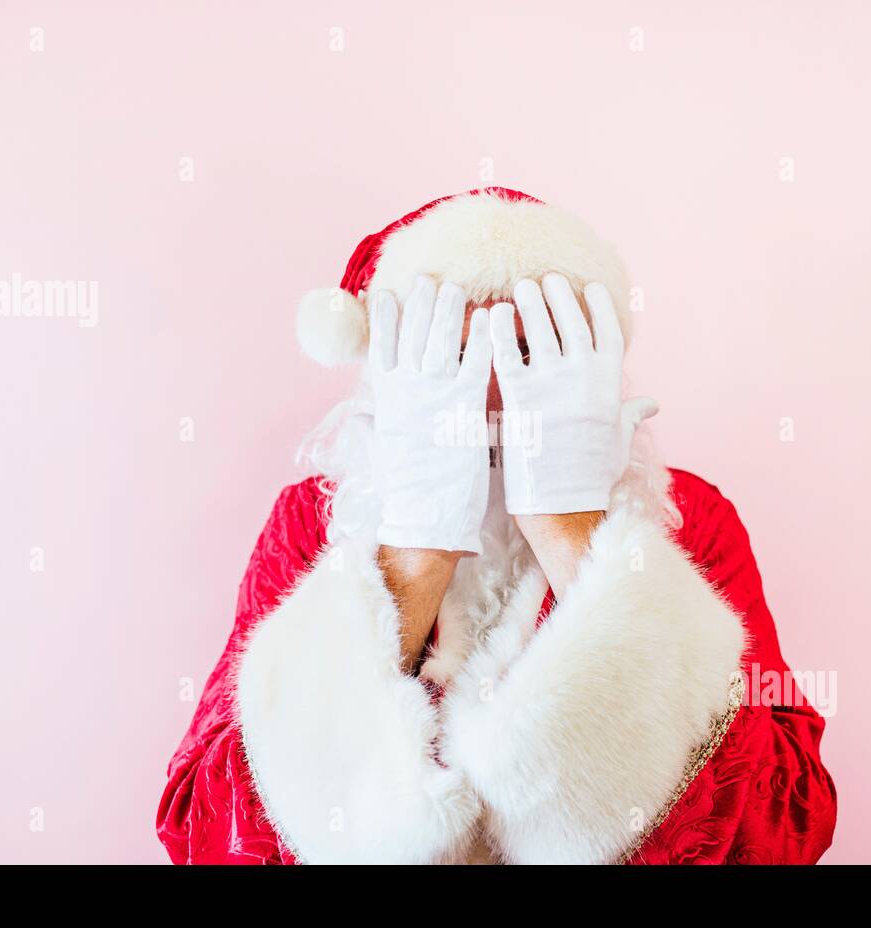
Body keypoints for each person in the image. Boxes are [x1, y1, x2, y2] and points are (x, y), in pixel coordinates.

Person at [157, 187, 836, 864]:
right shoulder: (311, 518)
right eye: (448, 350)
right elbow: (206, 831)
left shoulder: (691, 517)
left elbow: (783, 826)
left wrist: (575, 532)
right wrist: (416, 546)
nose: (491, 383)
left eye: (528, 348)